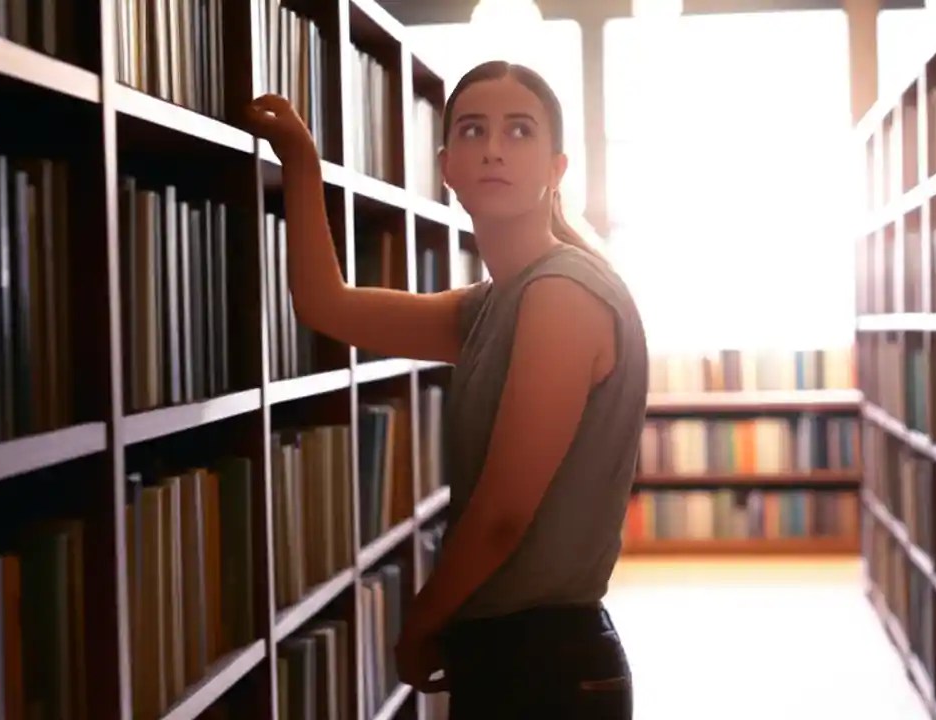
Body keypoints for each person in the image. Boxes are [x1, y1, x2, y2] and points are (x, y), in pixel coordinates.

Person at [243, 59, 646, 719]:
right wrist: (301, 160)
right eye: (472, 130)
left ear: (556, 168)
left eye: (519, 131)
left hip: (548, 664)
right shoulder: (492, 304)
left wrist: (420, 621)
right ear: (447, 166)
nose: (492, 147)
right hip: (508, 654)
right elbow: (327, 306)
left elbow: (502, 515)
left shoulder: (561, 294)